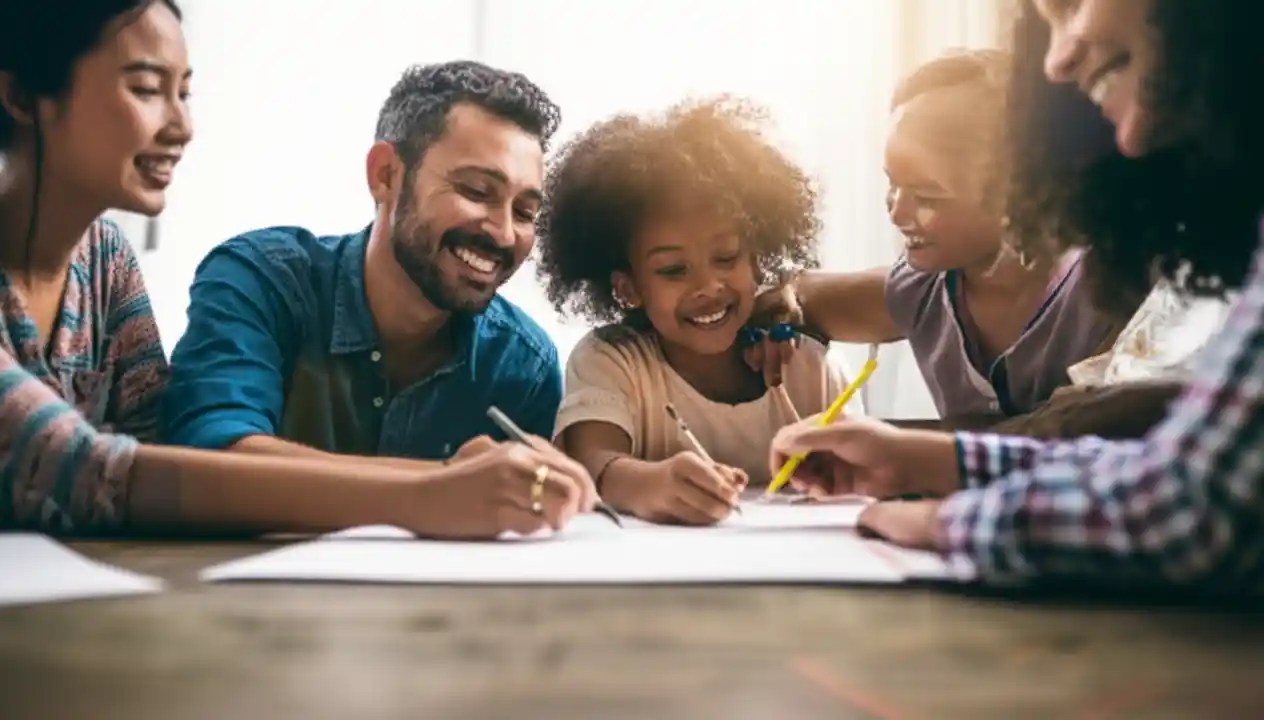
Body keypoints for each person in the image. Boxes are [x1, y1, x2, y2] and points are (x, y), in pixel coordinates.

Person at [0, 1, 595, 538]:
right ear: (18, 95)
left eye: (185, 92)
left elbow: (152, 449)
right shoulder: (260, 276)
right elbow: (97, 470)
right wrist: (431, 492)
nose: (183, 127)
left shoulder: (106, 261)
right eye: (146, 89)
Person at [770, 0, 1264, 591]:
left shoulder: (1136, 291)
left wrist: (943, 519)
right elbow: (1172, 473)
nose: (1056, 62)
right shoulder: (925, 287)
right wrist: (925, 460)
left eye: (1070, 4)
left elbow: (1187, 512)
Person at [751, 49, 1184, 439]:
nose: (897, 214)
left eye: (927, 197)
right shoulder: (923, 289)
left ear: (1017, 189)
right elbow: (801, 296)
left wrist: (902, 446)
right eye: (893, 185)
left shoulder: (1116, 287)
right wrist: (783, 308)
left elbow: (1086, 429)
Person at [163, 60, 567, 466]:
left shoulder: (524, 367)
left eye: (525, 213)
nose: (503, 234)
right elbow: (209, 461)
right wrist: (440, 488)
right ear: (385, 175)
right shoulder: (262, 282)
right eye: (477, 191)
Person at [538, 97, 857, 525]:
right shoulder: (611, 361)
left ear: (757, 261)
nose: (708, 286)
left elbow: (859, 475)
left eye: (726, 258)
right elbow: (591, 462)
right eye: (674, 270)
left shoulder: (808, 368)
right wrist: (647, 483)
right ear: (627, 288)